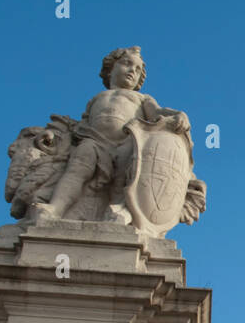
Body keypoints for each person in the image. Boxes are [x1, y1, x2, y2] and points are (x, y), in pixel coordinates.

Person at [33, 46, 191, 223]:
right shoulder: (98, 98)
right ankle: (56, 207)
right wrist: (55, 135)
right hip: (95, 140)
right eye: (127, 64)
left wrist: (178, 115)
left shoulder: (142, 98)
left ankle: (121, 208)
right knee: (77, 167)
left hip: (127, 141)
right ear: (111, 69)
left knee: (126, 171)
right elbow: (78, 126)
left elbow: (157, 112)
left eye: (138, 69)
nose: (132, 70)